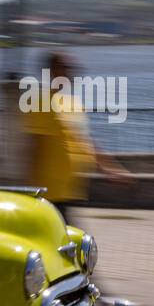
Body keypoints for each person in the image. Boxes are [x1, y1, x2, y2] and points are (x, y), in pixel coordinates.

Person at [23, 52, 132, 226]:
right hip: (51, 191)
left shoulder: (72, 102)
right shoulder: (41, 102)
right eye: (66, 68)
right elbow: (33, 146)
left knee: (70, 242)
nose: (71, 73)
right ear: (52, 71)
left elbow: (85, 141)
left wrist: (110, 169)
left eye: (72, 69)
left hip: (71, 189)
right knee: (69, 242)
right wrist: (30, 188)